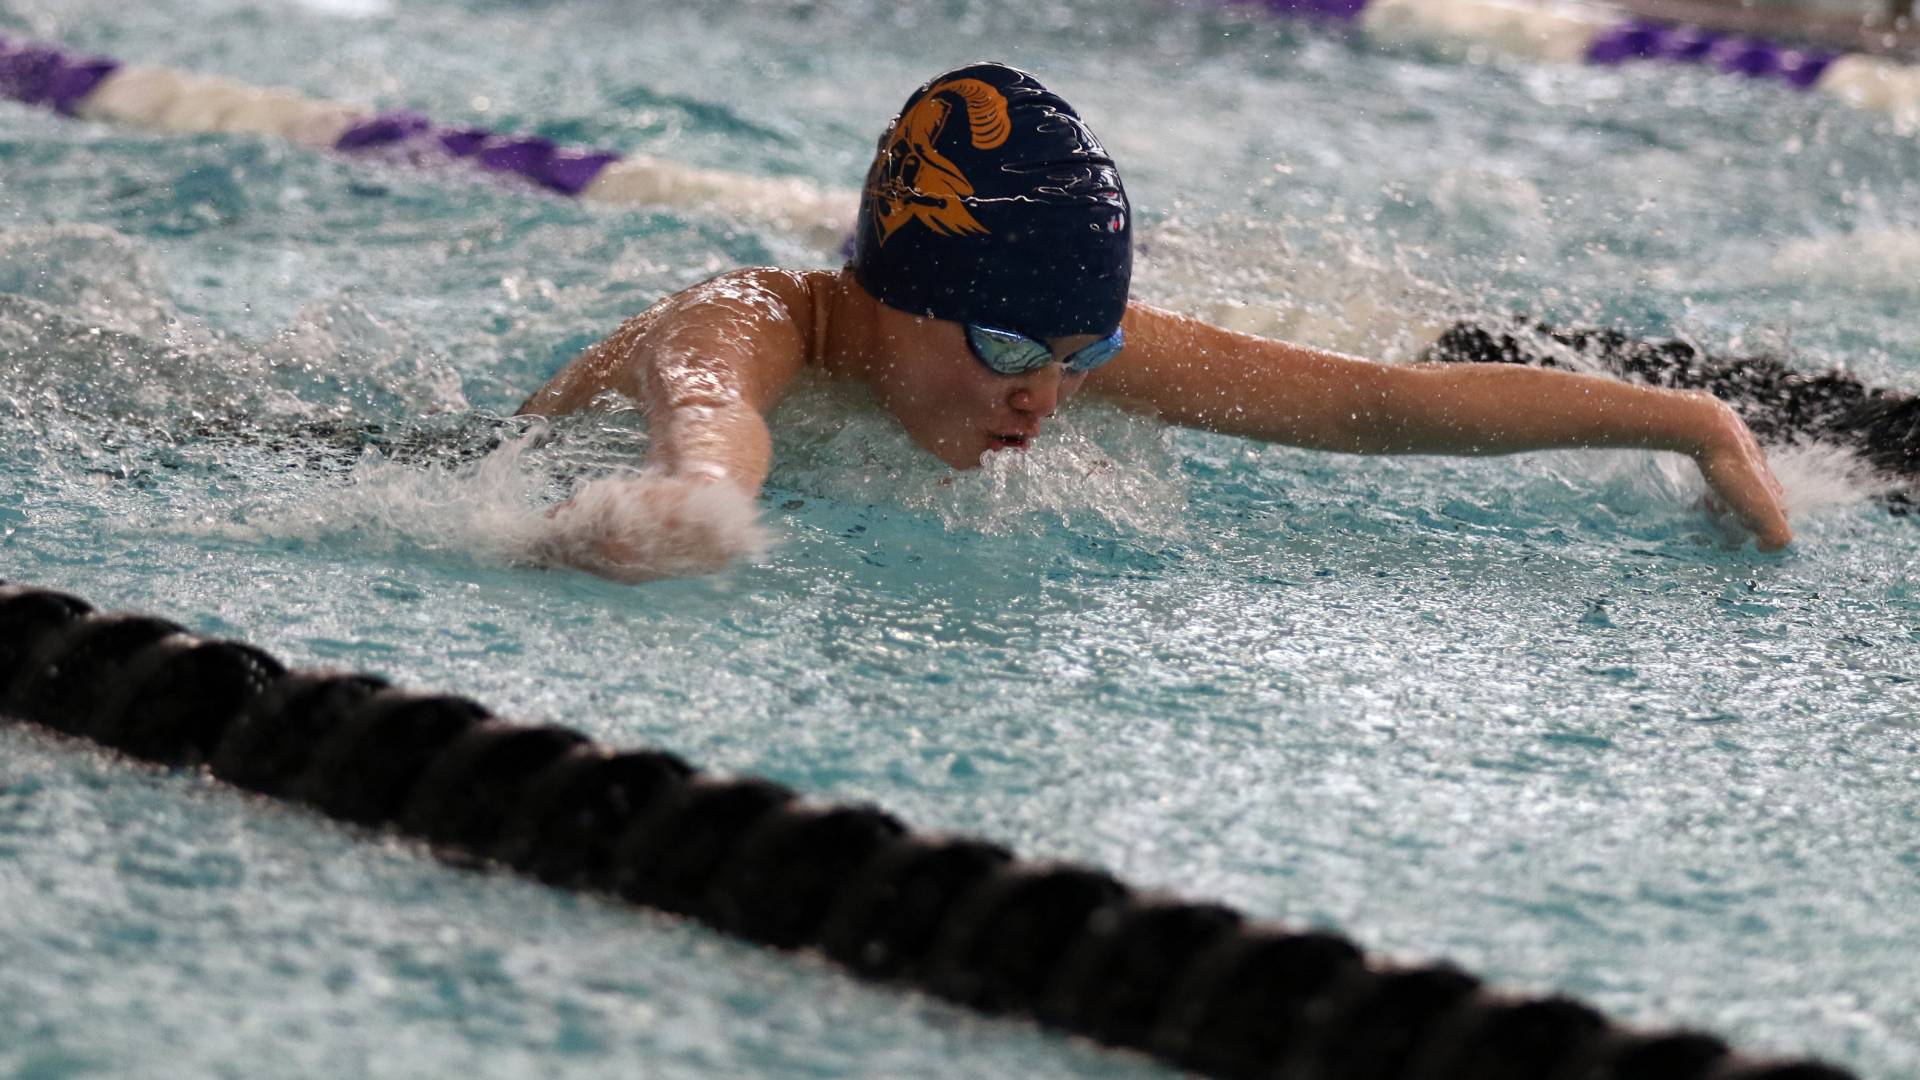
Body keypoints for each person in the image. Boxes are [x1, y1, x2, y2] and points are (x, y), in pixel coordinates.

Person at [517, 62, 1792, 582]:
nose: (1047, 402)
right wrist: (697, 506)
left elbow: (1369, 402)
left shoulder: (1037, 351)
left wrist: (1686, 420)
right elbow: (710, 407)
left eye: (1087, 360)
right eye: (1014, 353)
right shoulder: (755, 316)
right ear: (895, 297)